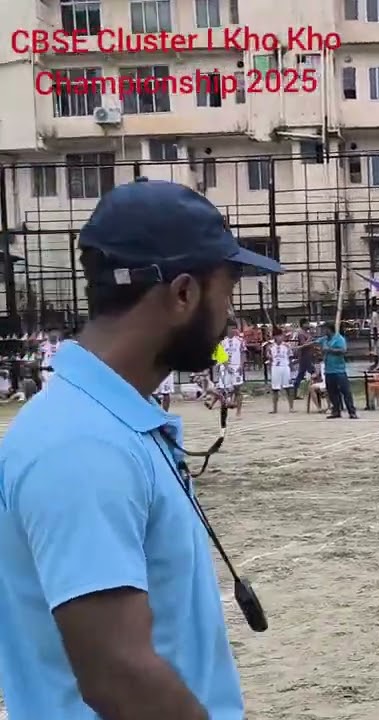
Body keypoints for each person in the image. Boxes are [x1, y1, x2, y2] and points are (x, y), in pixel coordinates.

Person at [0, 177, 283, 718]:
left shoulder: (105, 421)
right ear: (183, 294)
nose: (230, 316)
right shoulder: (80, 445)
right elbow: (119, 675)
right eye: (229, 289)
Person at [318, 322, 357, 419]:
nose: (323, 331)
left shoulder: (339, 338)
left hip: (339, 370)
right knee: (332, 392)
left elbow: (343, 351)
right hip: (328, 370)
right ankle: (336, 411)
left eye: (324, 329)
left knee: (346, 392)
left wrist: (330, 349)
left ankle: (351, 411)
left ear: (329, 329)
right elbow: (315, 343)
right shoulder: (324, 340)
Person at [218, 325, 247, 417]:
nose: (232, 330)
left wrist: (241, 366)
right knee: (224, 390)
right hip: (225, 367)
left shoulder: (240, 341)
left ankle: (239, 411)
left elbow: (243, 353)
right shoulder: (222, 342)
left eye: (234, 328)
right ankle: (225, 408)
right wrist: (226, 366)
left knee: (238, 389)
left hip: (236, 367)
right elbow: (220, 356)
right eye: (230, 328)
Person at [265, 327, 294, 413]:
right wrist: (270, 364)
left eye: (281, 336)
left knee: (288, 388)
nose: (280, 337)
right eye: (277, 336)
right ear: (274, 337)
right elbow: (269, 358)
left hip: (285, 367)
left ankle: (291, 407)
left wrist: (291, 368)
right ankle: (275, 408)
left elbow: (290, 357)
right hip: (275, 368)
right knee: (275, 389)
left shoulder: (287, 346)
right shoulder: (270, 347)